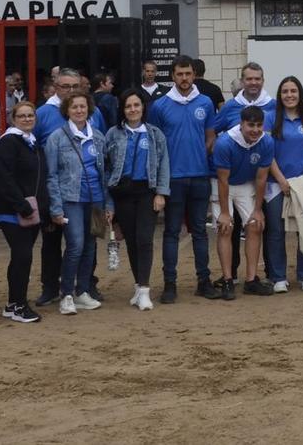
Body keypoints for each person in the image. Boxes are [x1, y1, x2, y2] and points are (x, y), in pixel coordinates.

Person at [148, 55, 219, 303]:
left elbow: (211, 135)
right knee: (171, 232)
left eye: (188, 74)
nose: (185, 78)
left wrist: (203, 151)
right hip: (173, 178)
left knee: (200, 231)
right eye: (180, 74)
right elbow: (155, 141)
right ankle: (170, 284)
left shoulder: (206, 102)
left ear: (194, 74)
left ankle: (203, 281)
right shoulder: (160, 106)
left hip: (200, 175)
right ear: (172, 76)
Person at [45, 92, 113, 315]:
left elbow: (106, 174)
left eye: (83, 106)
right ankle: (66, 294)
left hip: (95, 199)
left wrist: (108, 204)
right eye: (74, 107)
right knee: (75, 245)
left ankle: (83, 291)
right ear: (67, 110)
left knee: (91, 246)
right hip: (71, 199)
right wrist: (55, 206)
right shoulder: (57, 137)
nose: (79, 110)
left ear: (89, 109)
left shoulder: (99, 137)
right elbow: (51, 175)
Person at [103, 89, 169, 311]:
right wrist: (109, 199)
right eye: (128, 106)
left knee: (144, 239)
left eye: (136, 105)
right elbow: (105, 166)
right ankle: (138, 286)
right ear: (122, 110)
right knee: (131, 240)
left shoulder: (154, 134)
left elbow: (163, 164)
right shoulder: (113, 133)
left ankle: (145, 290)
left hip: (146, 192)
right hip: (122, 193)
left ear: (143, 107)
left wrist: (161, 192)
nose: (133, 110)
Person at [0, 101, 46, 323]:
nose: (26, 119)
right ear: (14, 119)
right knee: (23, 256)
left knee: (21, 257)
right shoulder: (9, 143)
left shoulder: (32, 143)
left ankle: (14, 303)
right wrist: (21, 206)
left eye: (30, 115)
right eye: (22, 116)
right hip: (13, 211)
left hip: (30, 211)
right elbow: (4, 178)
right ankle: (19, 305)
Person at [212, 106, 274, 299]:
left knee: (255, 225)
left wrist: (258, 210)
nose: (255, 130)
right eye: (250, 125)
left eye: (259, 125)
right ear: (241, 124)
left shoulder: (266, 141)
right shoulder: (224, 143)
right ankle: (228, 280)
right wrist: (224, 212)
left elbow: (262, 178)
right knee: (226, 227)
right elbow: (222, 179)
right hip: (222, 184)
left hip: (245, 183)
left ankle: (251, 279)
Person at [266, 76, 303, 292]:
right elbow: (267, 153)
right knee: (276, 231)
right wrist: (280, 180)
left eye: (293, 91)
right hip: (276, 184)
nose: (289, 95)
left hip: (302, 183)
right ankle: (278, 277)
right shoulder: (270, 118)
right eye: (285, 91)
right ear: (280, 95)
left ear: (300, 94)